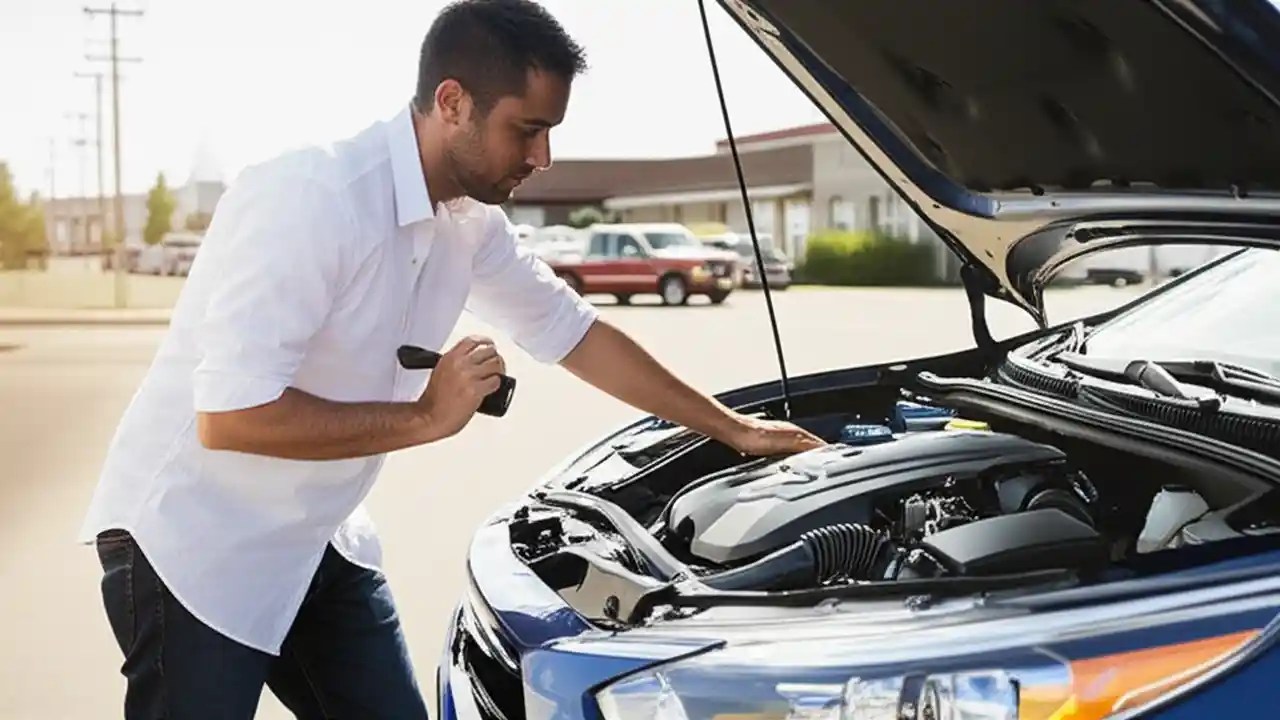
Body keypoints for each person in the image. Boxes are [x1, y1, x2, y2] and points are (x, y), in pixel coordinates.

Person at [78, 1, 824, 717]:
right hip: (192, 542)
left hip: (315, 538)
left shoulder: (471, 222)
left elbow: (575, 332)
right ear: (452, 101)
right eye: (526, 130)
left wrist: (737, 430)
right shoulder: (312, 198)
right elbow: (231, 417)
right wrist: (427, 415)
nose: (543, 157)